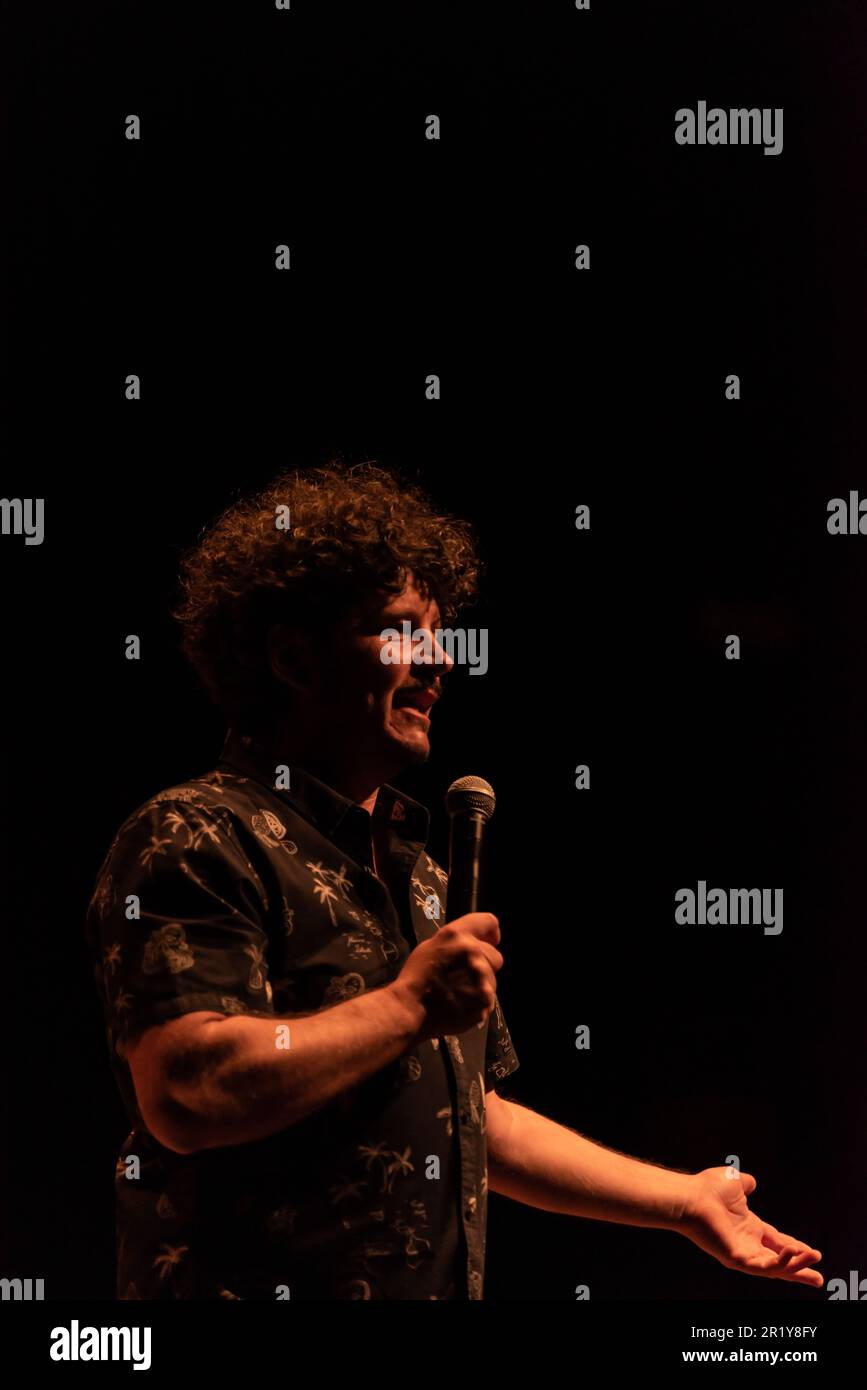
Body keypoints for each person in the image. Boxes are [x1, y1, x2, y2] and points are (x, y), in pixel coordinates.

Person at [86, 462, 823, 1300]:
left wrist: (684, 1200)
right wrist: (405, 1006)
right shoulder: (195, 833)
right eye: (401, 631)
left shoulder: (418, 871)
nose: (439, 662)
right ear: (293, 658)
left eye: (440, 632)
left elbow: (471, 1116)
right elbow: (187, 1090)